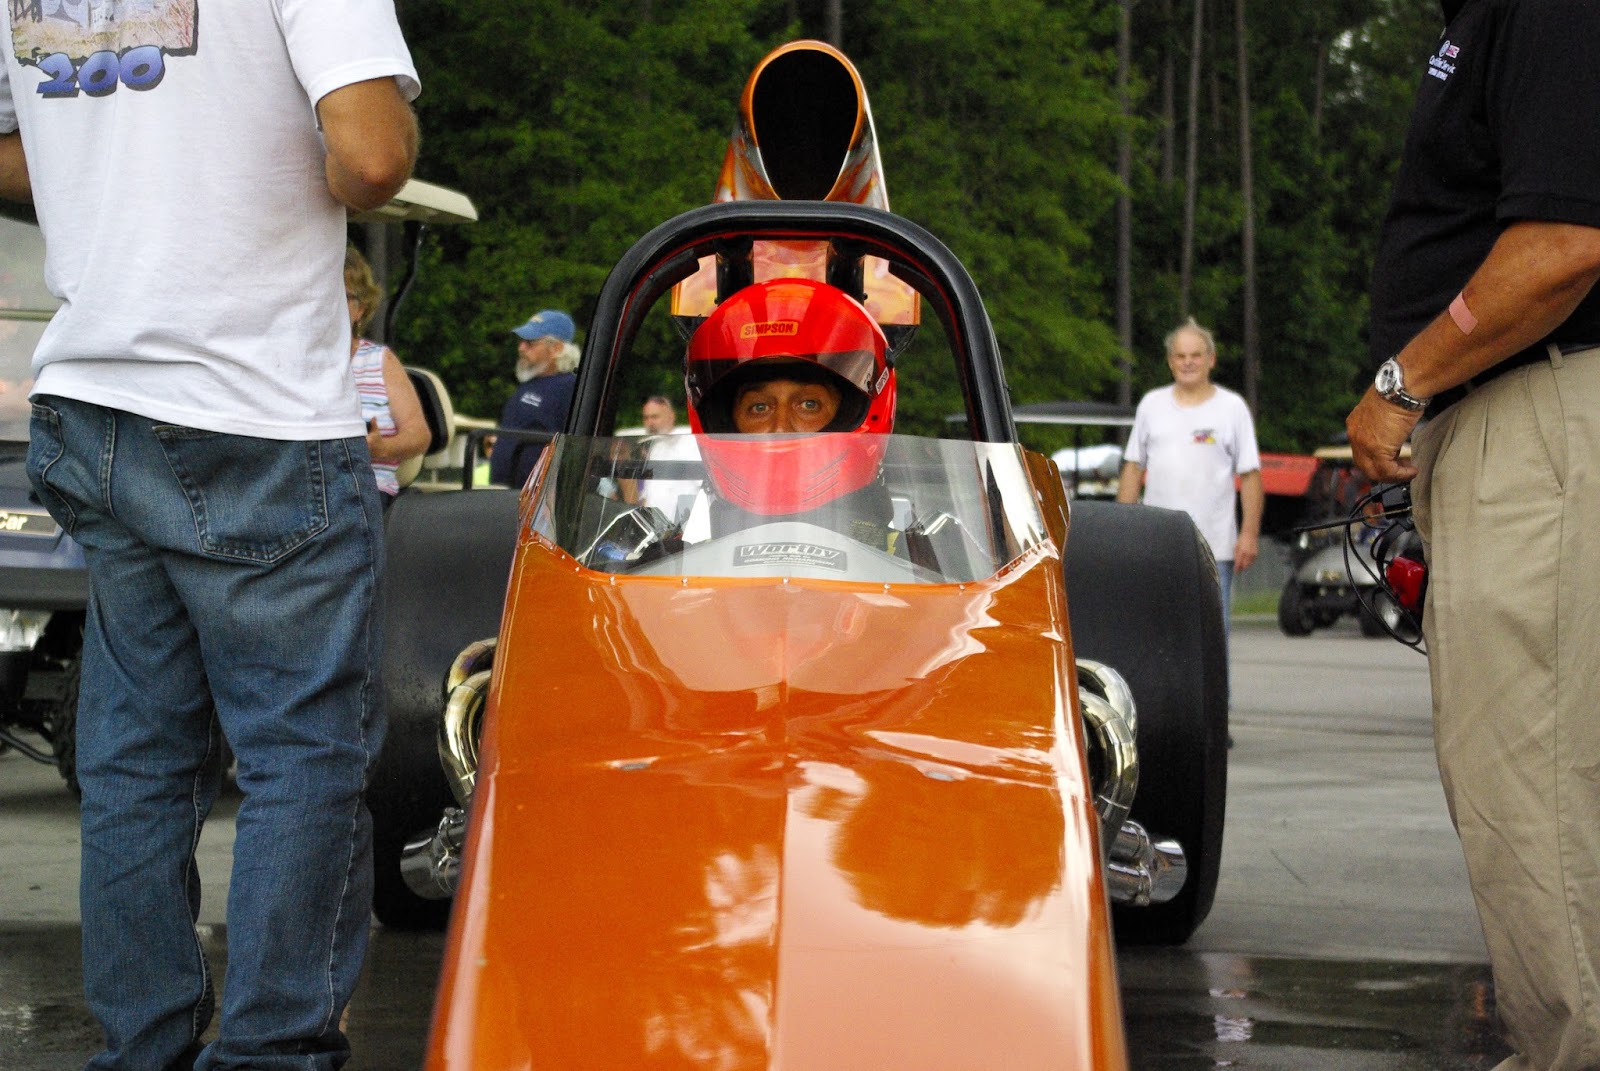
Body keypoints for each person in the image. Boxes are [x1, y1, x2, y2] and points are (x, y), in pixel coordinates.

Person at [1, 5, 418, 1070]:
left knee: (136, 761)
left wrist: (131, 185)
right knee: (299, 754)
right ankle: (270, 1053)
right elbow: (372, 158)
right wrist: (248, 170)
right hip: (256, 403)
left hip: (93, 396)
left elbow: (15, 156)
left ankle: (142, 1051)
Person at [1344, 4, 1600, 1068]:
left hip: (1538, 414)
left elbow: (1561, 245)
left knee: (1529, 787)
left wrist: (1402, 381)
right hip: (1526, 416)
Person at [684, 277, 897, 549]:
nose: (781, 428)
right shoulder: (672, 574)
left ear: (857, 410)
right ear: (722, 418)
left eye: (808, 405)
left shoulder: (928, 569)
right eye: (759, 407)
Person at [1116, 318, 1263, 623]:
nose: (1188, 363)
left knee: (1211, 636)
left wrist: (1248, 534)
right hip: (1156, 546)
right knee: (1156, 631)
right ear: (1170, 362)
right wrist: (1122, 532)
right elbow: (1133, 469)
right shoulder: (1151, 405)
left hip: (1213, 548)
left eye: (1195, 355)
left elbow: (1249, 476)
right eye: (1180, 356)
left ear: (1211, 360)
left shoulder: (1232, 408)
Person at [345, 247, 430, 504]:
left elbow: (419, 435)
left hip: (365, 489)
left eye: (342, 296)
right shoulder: (293, 361)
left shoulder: (380, 361)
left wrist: (381, 449)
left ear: (360, 309)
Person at [488, 309, 577, 488]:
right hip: (505, 498)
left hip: (536, 503)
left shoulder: (569, 387)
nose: (521, 347)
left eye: (530, 342)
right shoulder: (528, 385)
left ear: (557, 348)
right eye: (521, 341)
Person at [634, 395, 700, 521]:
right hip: (656, 528)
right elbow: (648, 494)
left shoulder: (691, 442)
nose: (650, 423)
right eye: (646, 418)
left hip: (683, 527)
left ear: (671, 416)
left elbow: (702, 488)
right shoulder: (656, 448)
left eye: (655, 417)